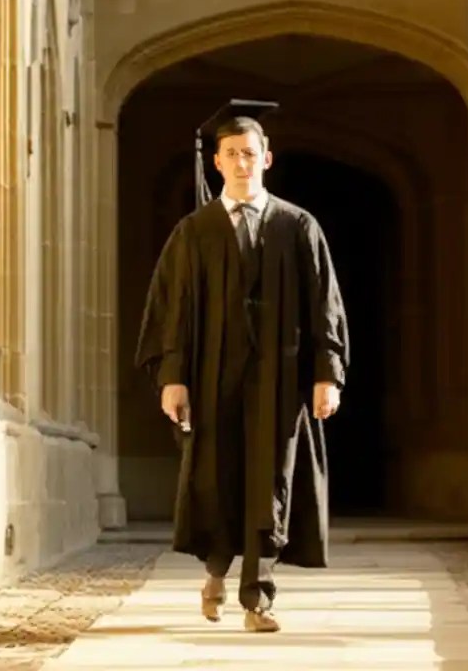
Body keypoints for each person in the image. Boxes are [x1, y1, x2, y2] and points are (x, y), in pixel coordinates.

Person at [134, 100, 349, 633]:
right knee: (216, 477)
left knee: (270, 479)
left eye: (250, 154)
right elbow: (172, 310)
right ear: (217, 163)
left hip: (281, 376)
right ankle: (214, 572)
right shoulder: (194, 231)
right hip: (211, 375)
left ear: (268, 159)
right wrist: (172, 377)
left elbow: (325, 304)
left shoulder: (298, 226)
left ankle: (258, 599)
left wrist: (328, 373)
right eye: (232, 154)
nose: (241, 163)